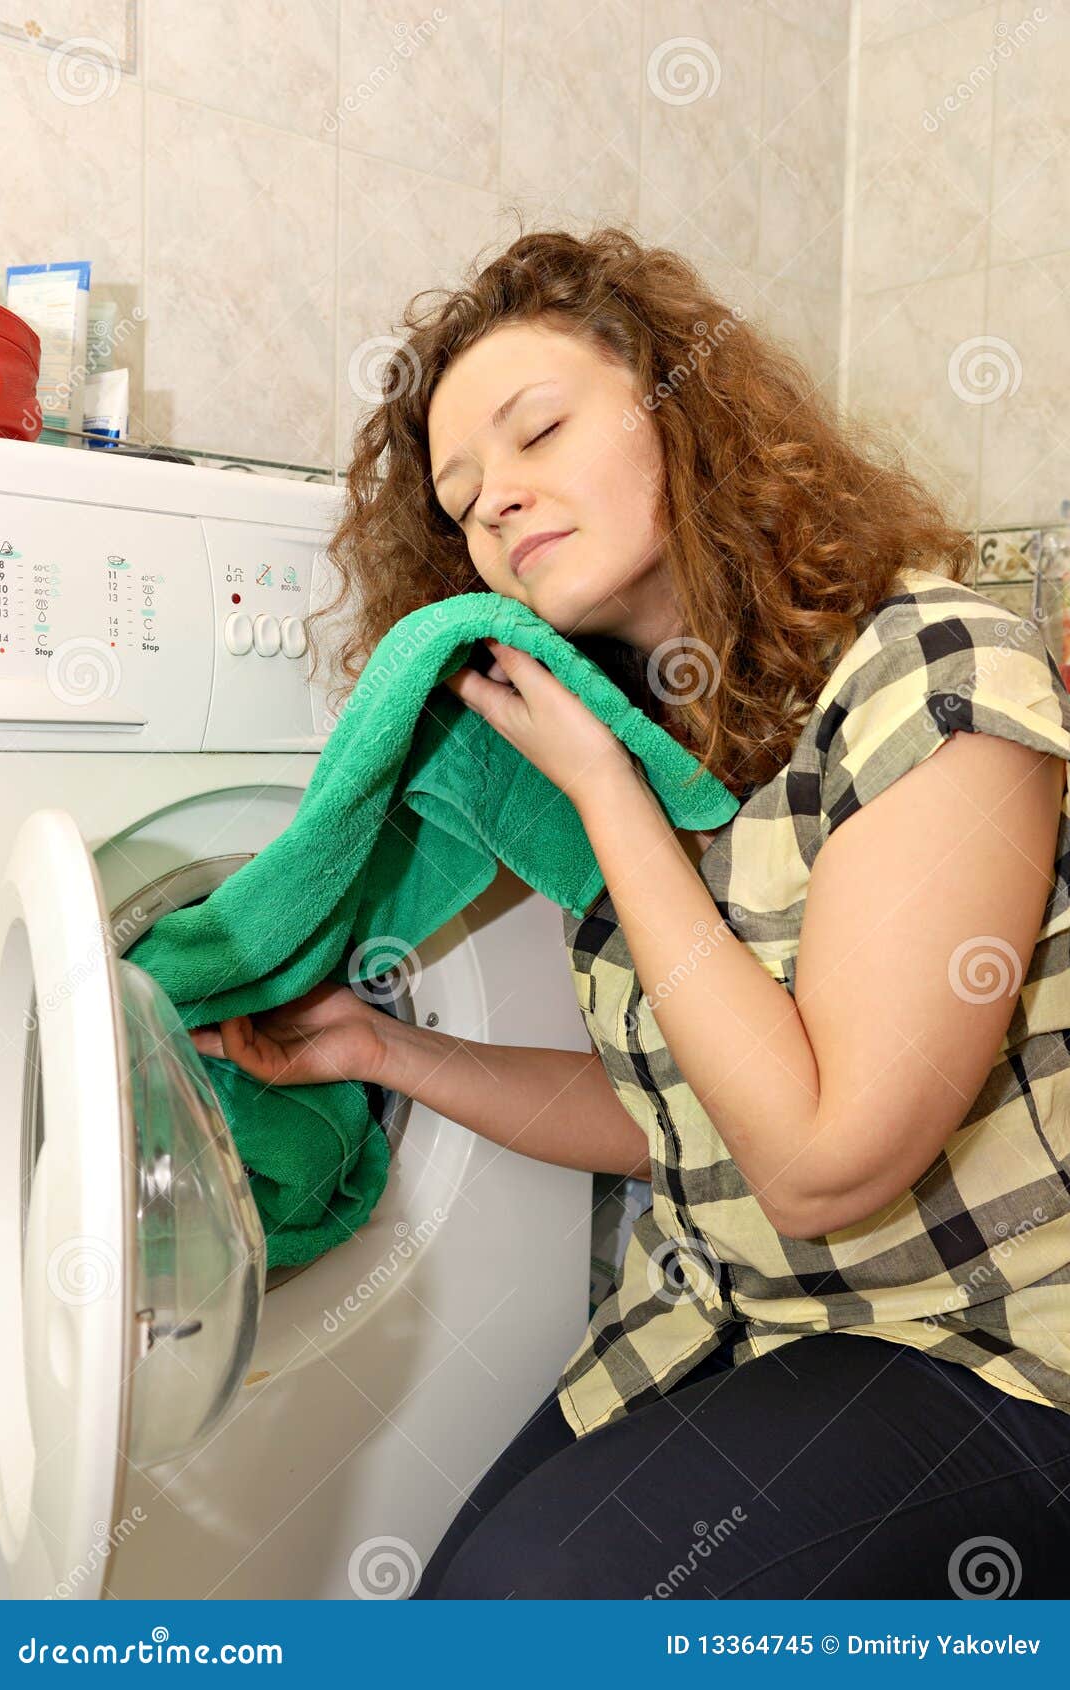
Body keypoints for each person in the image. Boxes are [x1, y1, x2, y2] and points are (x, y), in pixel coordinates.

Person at [192, 225, 1070, 1598]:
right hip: (724, 1320)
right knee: (445, 1612)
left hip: (988, 1347)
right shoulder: (641, 731)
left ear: (688, 418)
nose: (496, 503)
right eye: (463, 495)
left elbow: (822, 1162)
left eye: (537, 431)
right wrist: (383, 1050)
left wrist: (605, 795)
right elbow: (689, 1119)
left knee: (525, 1607)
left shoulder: (936, 672)